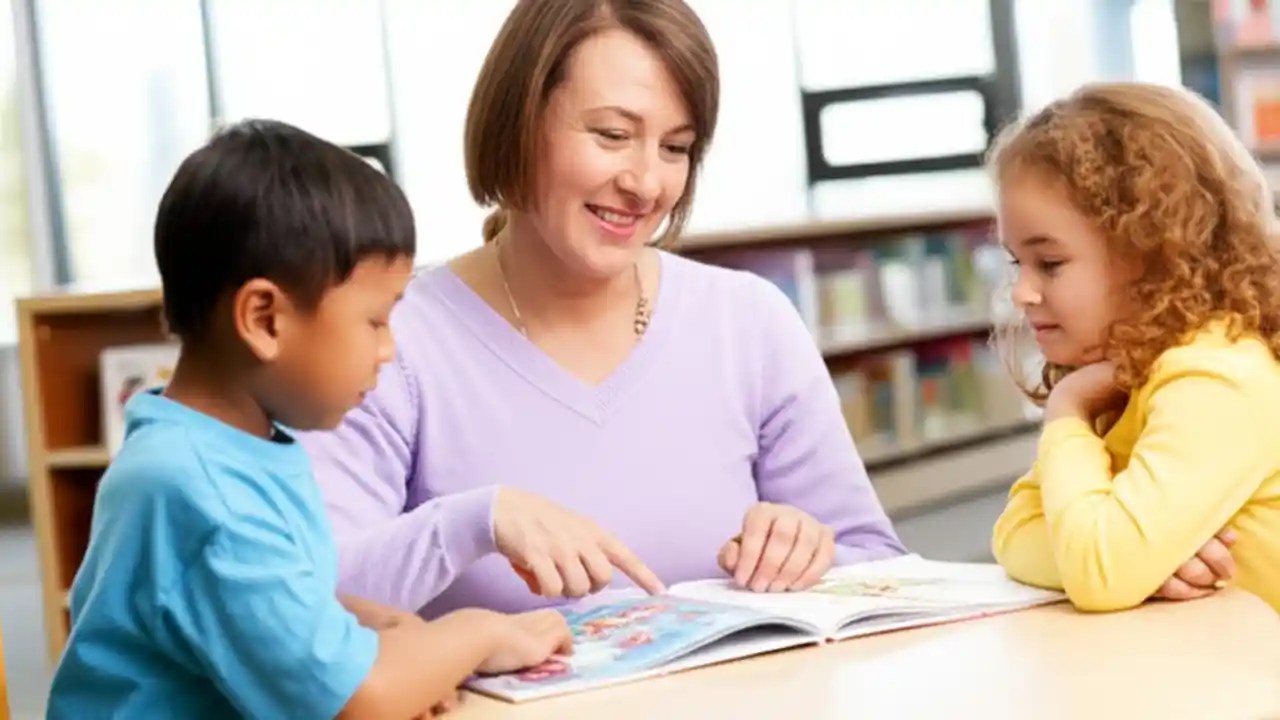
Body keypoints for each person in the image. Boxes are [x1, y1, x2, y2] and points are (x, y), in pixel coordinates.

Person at [298, 0, 905, 620]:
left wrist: (809, 553)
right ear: (518, 123)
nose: (645, 183)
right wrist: (471, 522)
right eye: (612, 136)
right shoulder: (389, 341)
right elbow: (303, 600)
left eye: (675, 147)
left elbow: (883, 565)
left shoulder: (749, 322)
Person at [47, 120, 572, 720]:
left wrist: (396, 637)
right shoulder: (201, 489)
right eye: (375, 321)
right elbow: (357, 704)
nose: (387, 350)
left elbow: (269, 598)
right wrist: (474, 634)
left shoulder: (214, 445)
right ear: (265, 319)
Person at [988, 81, 1280, 614]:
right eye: (1016, 263)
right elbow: (1015, 534)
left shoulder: (1216, 379)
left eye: (1049, 264)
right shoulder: (1127, 373)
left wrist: (1067, 412)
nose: (1022, 292)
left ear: (1153, 255)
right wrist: (1143, 566)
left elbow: (1101, 572)